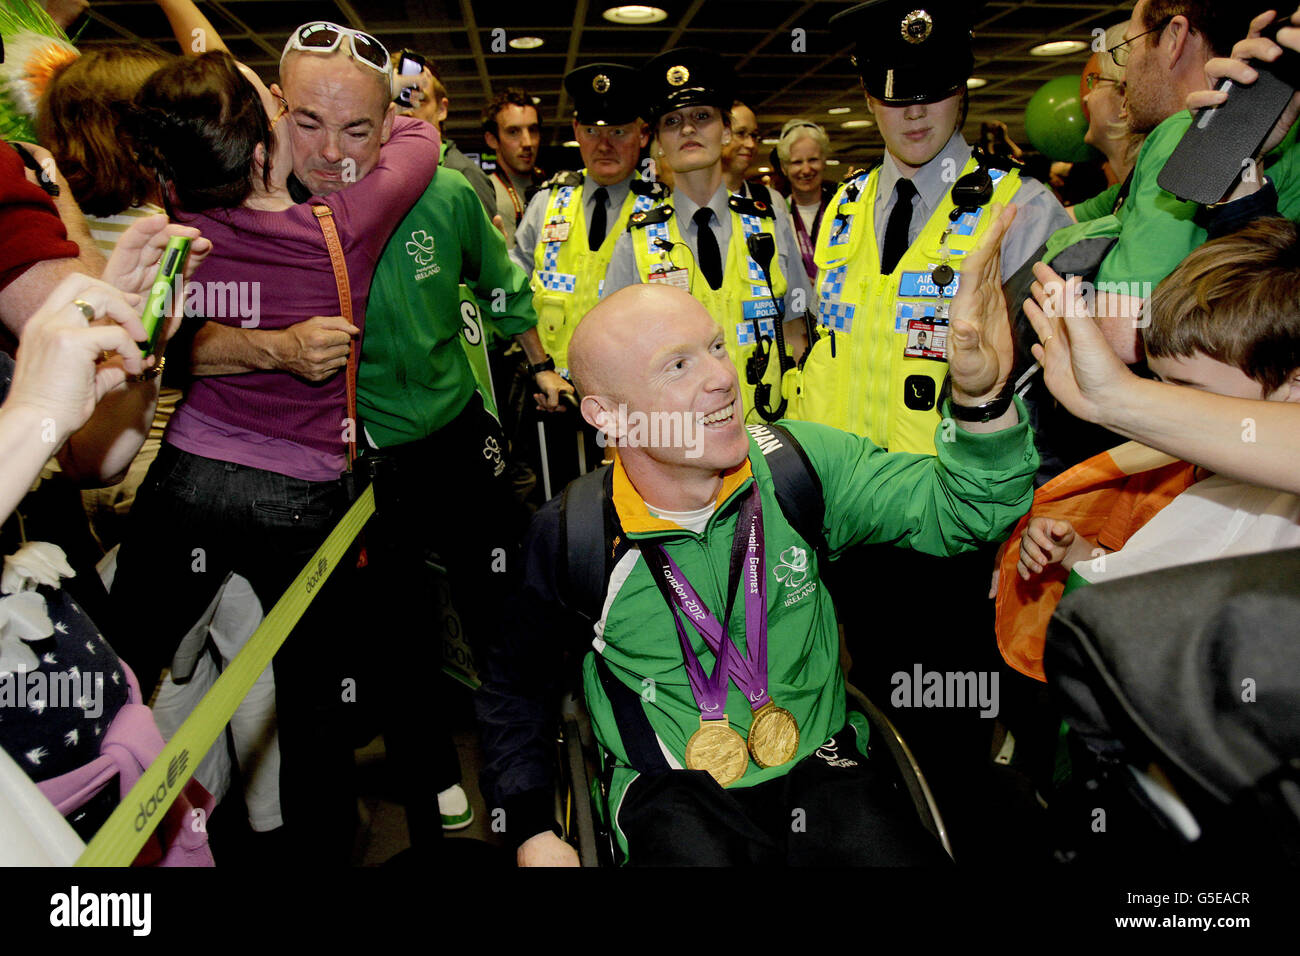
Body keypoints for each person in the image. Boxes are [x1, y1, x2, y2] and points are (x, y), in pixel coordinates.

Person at [477, 203, 1038, 866]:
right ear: (608, 415)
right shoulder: (572, 535)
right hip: (672, 787)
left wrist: (981, 400)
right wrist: (532, 829)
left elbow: (969, 510)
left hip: (821, 761)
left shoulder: (800, 467)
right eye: (677, 366)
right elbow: (515, 688)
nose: (722, 377)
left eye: (716, 346)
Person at [108, 37, 439, 863]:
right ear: (266, 140)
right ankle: (314, 855)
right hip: (301, 499)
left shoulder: (180, 222)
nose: (329, 150)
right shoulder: (346, 223)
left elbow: (163, 349)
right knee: (313, 711)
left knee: (122, 674)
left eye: (352, 130)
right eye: (302, 121)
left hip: (184, 475)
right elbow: (423, 141)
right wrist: (396, 97)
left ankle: (82, 837)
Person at [785, 0, 1069, 455]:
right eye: (896, 95)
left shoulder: (1020, 206)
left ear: (961, 89)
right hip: (834, 484)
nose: (914, 113)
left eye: (932, 90)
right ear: (867, 93)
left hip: (948, 497)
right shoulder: (844, 203)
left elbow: (1045, 382)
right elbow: (825, 340)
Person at [602, 48, 812, 425]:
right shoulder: (635, 241)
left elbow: (796, 330)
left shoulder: (769, 224)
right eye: (672, 121)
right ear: (659, 142)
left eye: (702, 116)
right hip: (682, 440)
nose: (687, 129)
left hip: (773, 428)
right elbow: (616, 360)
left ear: (726, 130)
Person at [510, 62, 655, 494]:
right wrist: (537, 368)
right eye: (592, 130)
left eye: (619, 131)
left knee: (629, 514)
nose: (603, 144)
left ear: (643, 133)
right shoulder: (548, 202)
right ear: (576, 129)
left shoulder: (662, 212)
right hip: (550, 398)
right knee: (560, 514)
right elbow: (512, 292)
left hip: (634, 405)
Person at [389, 48, 498, 217]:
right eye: (397, 98)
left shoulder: (465, 176)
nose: (406, 110)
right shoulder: (376, 172)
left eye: (419, 99)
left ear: (441, 109)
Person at [1067, 23, 1146, 222]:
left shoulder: (1151, 192)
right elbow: (1047, 221)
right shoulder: (1119, 195)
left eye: (1096, 81)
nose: (1086, 99)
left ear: (1125, 96)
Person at [776, 118, 836, 281]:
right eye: (797, 162)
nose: (806, 169)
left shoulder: (843, 210)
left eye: (813, 160)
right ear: (784, 168)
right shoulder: (777, 215)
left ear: (824, 161)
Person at [482, 87, 542, 246]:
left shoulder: (554, 192)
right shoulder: (483, 195)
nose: (527, 142)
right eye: (513, 132)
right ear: (492, 140)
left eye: (533, 130)